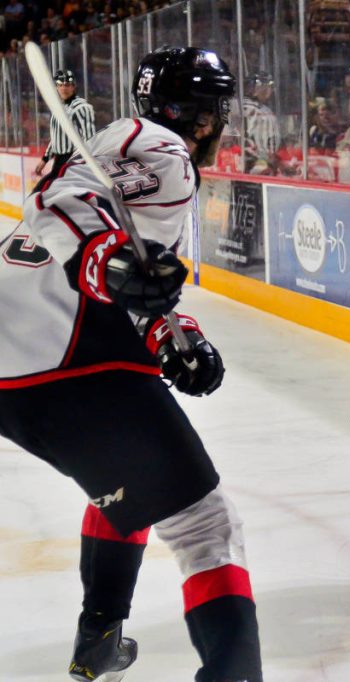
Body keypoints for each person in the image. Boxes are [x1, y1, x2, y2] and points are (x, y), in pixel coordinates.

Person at [2, 47, 263, 681]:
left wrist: (175, 332)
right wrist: (107, 263)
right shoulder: (164, 151)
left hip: (30, 355)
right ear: (206, 118)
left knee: (135, 487)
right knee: (206, 524)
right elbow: (58, 207)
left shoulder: (132, 143)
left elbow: (131, 276)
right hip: (63, 359)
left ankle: (99, 639)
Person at [34, 69, 95, 180]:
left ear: (73, 86)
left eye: (67, 85)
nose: (64, 88)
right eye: (60, 85)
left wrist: (86, 163)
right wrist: (45, 159)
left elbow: (90, 138)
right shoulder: (58, 107)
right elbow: (56, 137)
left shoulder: (81, 107)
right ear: (56, 87)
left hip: (73, 160)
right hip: (59, 160)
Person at [242, 70, 282, 175]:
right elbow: (270, 151)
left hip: (234, 164)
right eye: (268, 86)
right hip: (259, 167)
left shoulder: (233, 107)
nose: (270, 90)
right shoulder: (265, 113)